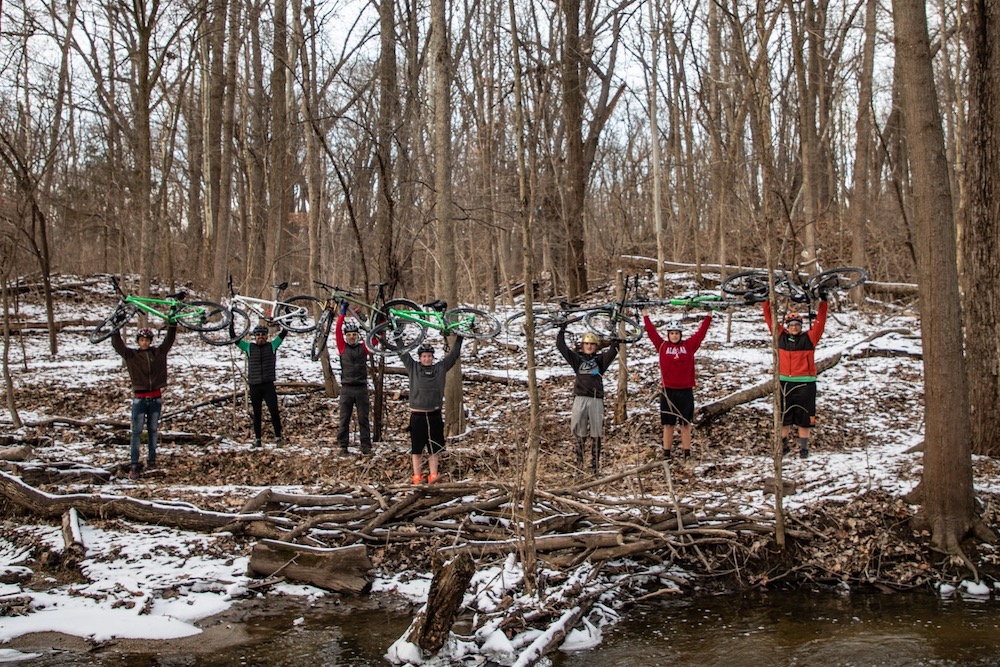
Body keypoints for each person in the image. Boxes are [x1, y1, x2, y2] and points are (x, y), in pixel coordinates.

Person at [762, 294, 828, 459]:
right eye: (791, 325)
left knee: (805, 418)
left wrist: (823, 302)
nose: (794, 327)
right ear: (787, 326)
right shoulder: (780, 336)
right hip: (785, 382)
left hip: (806, 384)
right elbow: (769, 319)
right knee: (784, 417)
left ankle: (804, 448)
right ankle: (783, 445)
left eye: (797, 325)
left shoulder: (809, 338)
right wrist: (765, 300)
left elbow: (820, 323)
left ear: (801, 327)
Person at [642, 311, 712, 464]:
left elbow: (701, 334)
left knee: (685, 423)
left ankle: (687, 454)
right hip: (668, 391)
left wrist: (708, 316)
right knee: (668, 424)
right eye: (672, 333)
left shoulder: (689, 346)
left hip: (685, 391)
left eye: (677, 333)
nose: (674, 336)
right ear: (668, 335)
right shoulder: (662, 346)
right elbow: (651, 332)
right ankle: (666, 454)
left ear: (681, 334)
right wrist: (645, 315)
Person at [110, 324, 177, 479]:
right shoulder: (132, 355)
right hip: (139, 399)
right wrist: (115, 328)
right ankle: (134, 464)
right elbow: (118, 345)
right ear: (138, 341)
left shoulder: (158, 353)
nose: (144, 343)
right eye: (141, 340)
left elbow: (169, 339)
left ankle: (152, 461)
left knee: (153, 431)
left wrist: (172, 324)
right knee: (136, 432)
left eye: (147, 340)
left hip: (155, 399)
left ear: (150, 341)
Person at [398, 338, 463, 484]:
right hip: (417, 415)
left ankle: (433, 475)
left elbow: (453, 355)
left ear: (433, 357)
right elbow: (402, 353)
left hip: (434, 414)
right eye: (424, 356)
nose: (427, 359)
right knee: (417, 449)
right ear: (419, 358)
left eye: (429, 356)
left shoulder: (440, 368)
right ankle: (417, 476)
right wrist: (398, 338)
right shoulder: (413, 367)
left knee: (434, 448)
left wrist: (459, 338)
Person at [556, 326, 619, 475]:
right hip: (580, 398)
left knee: (597, 433)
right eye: (586, 344)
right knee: (580, 433)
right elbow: (561, 347)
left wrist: (613, 332)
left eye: (592, 344)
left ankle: (595, 467)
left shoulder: (600, 360)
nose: (589, 347)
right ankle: (579, 467)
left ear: (596, 346)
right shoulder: (577, 359)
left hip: (596, 400)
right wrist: (562, 329)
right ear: (582, 345)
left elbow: (614, 350)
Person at [233, 324, 287, 448]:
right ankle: (257, 440)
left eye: (263, 335)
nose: (260, 337)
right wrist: (231, 322)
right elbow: (234, 339)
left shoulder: (272, 346)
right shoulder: (249, 347)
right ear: (255, 336)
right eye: (258, 335)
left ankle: (278, 439)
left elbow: (283, 333)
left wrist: (287, 321)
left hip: (268, 385)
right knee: (257, 414)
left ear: (267, 336)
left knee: (274, 411)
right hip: (254, 386)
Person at [335, 305, 372, 455]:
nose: (351, 337)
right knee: (344, 419)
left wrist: (364, 318)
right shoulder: (342, 347)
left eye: (354, 335)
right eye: (349, 335)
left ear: (357, 336)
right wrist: (342, 313)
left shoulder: (364, 348)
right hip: (347, 388)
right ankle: (343, 446)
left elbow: (375, 336)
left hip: (361, 388)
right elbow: (337, 330)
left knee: (363, 419)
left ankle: (366, 446)